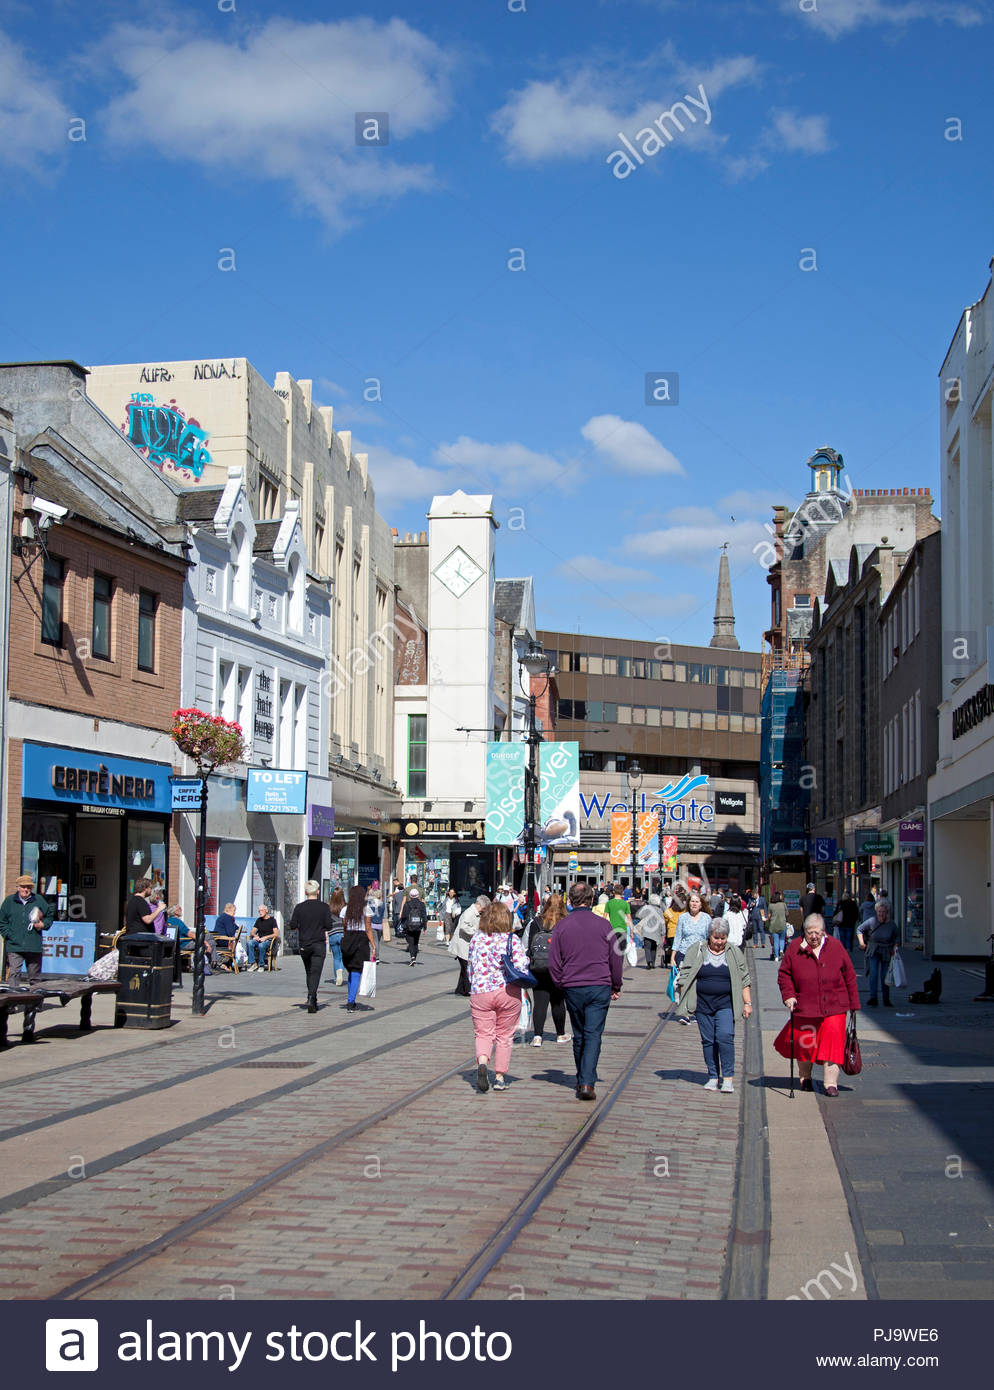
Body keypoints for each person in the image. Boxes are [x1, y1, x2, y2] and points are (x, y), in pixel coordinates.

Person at [549, 881, 623, 1100]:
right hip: (599, 986)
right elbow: (615, 959)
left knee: (580, 1034)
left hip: (572, 986)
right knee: (593, 1034)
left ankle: (583, 1077)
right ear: (592, 900)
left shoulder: (562, 926)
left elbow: (554, 963)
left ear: (569, 901)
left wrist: (561, 983)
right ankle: (586, 1082)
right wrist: (616, 984)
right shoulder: (604, 926)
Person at [775, 913, 860, 1097]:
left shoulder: (836, 947)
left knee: (833, 1045)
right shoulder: (795, 948)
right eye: (809, 932)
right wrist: (789, 996)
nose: (813, 936)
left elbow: (850, 975)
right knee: (805, 1045)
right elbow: (784, 975)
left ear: (824, 931)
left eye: (817, 933)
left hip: (835, 1007)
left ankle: (831, 1083)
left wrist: (854, 1004)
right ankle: (805, 1077)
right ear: (804, 931)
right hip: (805, 1007)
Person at [677, 919, 752, 1092]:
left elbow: (744, 979)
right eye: (716, 938)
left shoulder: (734, 952)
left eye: (722, 938)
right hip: (703, 1004)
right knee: (709, 1040)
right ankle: (712, 1076)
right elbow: (685, 975)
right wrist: (686, 1000)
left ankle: (727, 1078)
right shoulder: (697, 950)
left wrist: (747, 1003)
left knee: (725, 1037)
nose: (719, 942)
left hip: (726, 1003)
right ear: (709, 936)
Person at [468, 900, 530, 1092]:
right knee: (505, 1036)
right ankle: (500, 1077)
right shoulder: (511, 940)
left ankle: (483, 1062)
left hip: (480, 992)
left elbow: (470, 966)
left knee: (483, 1033)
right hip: (507, 992)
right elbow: (521, 966)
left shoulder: (476, 939)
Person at [526, 893, 570, 1045]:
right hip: (559, 967)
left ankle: (537, 1036)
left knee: (540, 1002)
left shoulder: (536, 922)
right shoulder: (566, 922)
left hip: (538, 968)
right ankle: (560, 1034)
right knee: (558, 1001)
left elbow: (529, 945)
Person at [288, 880, 335, 1014]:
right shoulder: (324, 907)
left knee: (309, 971)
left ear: (305, 892)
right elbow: (329, 925)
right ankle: (311, 997)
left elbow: (292, 925)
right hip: (318, 943)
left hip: (304, 943)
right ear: (318, 892)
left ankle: (312, 999)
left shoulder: (299, 907)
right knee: (316, 972)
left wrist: (302, 927)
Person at [0, 874, 54, 984]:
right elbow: (2, 922)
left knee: (35, 978)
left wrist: (43, 925)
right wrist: (9, 935)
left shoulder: (39, 900)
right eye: (23, 887)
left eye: (28, 887)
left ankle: (35, 1001)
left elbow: (50, 915)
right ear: (18, 887)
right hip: (14, 946)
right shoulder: (9, 901)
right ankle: (12, 1000)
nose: (26, 889)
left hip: (33, 945)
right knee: (14, 974)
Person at [672, 890, 711, 1024]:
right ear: (688, 904)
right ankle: (685, 1013)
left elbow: (709, 938)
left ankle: (696, 1009)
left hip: (700, 954)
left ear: (701, 904)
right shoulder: (683, 918)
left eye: (697, 901)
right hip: (684, 953)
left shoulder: (706, 918)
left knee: (698, 984)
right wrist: (673, 955)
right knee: (683, 982)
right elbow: (678, 937)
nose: (694, 904)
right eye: (692, 901)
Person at [340, 885, 376, 1015]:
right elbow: (368, 928)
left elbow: (344, 926)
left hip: (348, 938)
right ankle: (351, 1001)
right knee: (356, 970)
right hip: (361, 940)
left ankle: (351, 999)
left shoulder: (345, 909)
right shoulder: (366, 909)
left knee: (351, 970)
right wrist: (373, 945)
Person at [858, 900, 899, 1006]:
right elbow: (859, 929)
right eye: (879, 911)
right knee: (874, 974)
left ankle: (886, 999)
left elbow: (897, 936)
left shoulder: (891, 924)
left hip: (886, 950)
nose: (881, 914)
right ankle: (873, 998)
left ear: (887, 912)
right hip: (873, 950)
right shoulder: (872, 921)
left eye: (883, 912)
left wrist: (895, 946)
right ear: (876, 911)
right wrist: (861, 942)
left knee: (885, 976)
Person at [450, 894, 487, 995]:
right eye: (484, 908)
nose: (484, 910)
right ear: (479, 905)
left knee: (464, 968)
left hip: (465, 944)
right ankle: (467, 989)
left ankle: (460, 989)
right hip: (462, 944)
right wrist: (476, 932)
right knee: (467, 967)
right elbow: (463, 927)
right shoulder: (470, 912)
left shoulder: (475, 913)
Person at [637, 892, 666, 969]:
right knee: (653, 948)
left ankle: (649, 961)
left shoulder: (646, 908)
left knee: (647, 947)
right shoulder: (660, 910)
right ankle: (652, 962)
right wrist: (663, 932)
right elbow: (662, 922)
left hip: (647, 931)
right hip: (656, 932)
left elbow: (639, 915)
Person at [399, 887, 428, 964]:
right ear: (418, 895)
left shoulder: (407, 904)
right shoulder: (422, 904)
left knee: (411, 942)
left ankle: (412, 957)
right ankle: (414, 957)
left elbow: (404, 916)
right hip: (418, 925)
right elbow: (424, 915)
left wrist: (402, 924)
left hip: (409, 926)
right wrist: (425, 926)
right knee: (416, 941)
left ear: (410, 895)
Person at [247, 905, 279, 970]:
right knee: (249, 942)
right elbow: (252, 932)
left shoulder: (272, 920)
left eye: (261, 910)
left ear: (266, 911)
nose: (260, 912)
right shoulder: (259, 920)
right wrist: (255, 936)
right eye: (259, 911)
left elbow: (276, 934)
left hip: (269, 940)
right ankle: (253, 963)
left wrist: (266, 937)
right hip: (259, 939)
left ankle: (261, 965)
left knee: (261, 945)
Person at [662, 886, 686, 966]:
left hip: (672, 933)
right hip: (683, 933)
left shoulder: (668, 911)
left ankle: (674, 962)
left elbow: (665, 921)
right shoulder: (685, 912)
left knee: (673, 948)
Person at [327, 887, 346, 986]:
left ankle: (336, 978)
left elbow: (326, 922)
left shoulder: (329, 907)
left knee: (335, 957)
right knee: (343, 957)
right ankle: (340, 971)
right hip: (343, 933)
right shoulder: (345, 907)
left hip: (332, 934)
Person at [768, 890, 788, 961]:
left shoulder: (770, 905)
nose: (781, 896)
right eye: (781, 895)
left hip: (773, 925)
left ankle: (776, 957)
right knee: (782, 939)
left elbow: (769, 916)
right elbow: (787, 914)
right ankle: (781, 950)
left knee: (776, 941)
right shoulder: (783, 904)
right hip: (782, 924)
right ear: (778, 897)